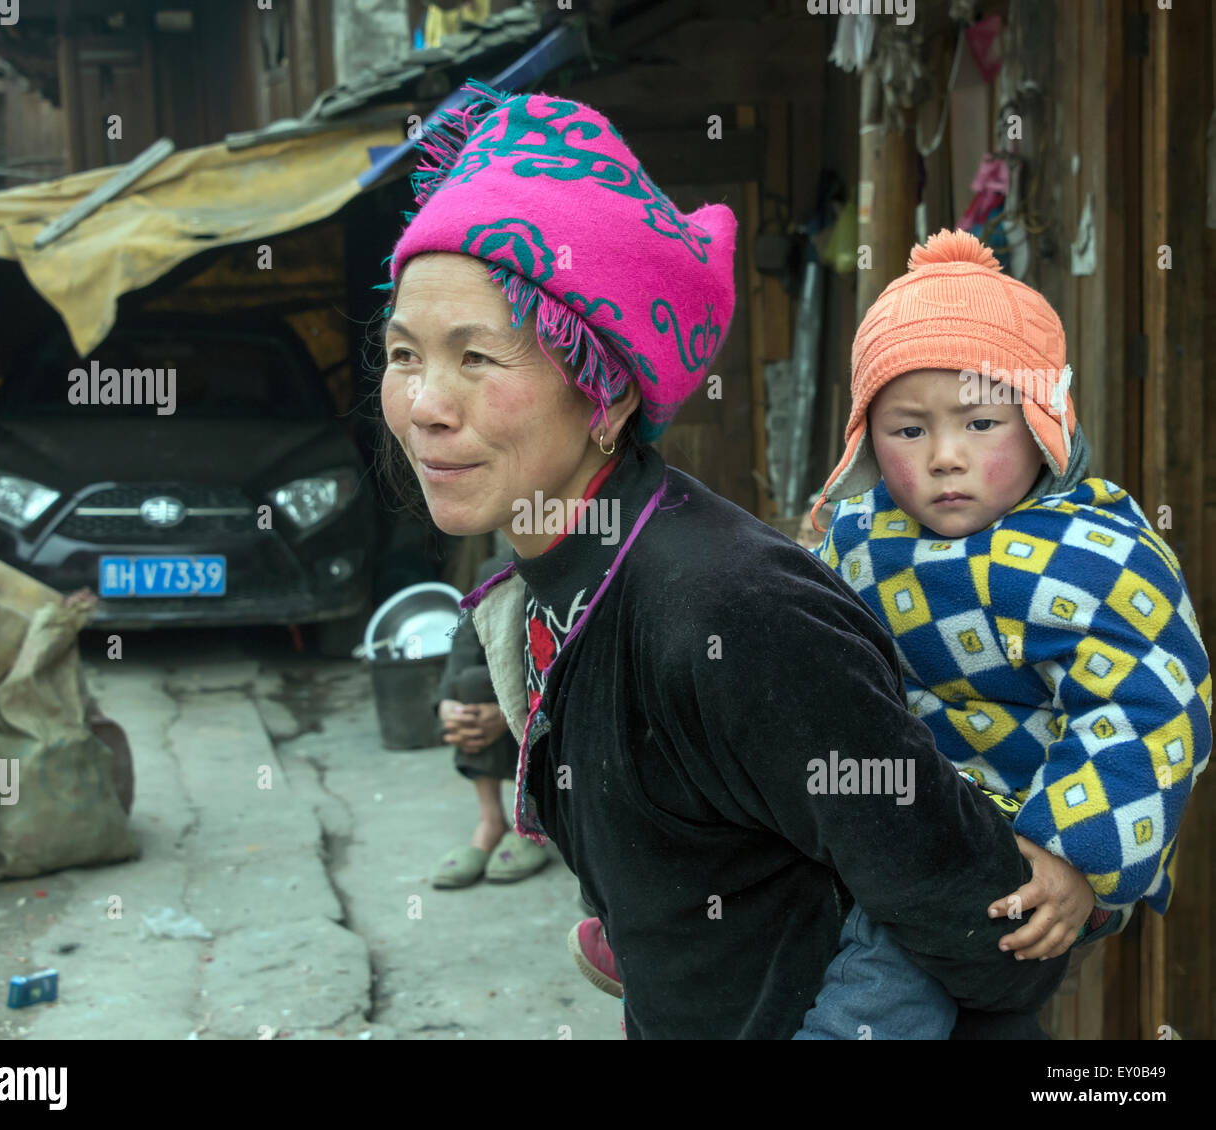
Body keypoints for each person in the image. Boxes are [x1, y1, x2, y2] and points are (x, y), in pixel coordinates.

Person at [373, 78, 1072, 1039]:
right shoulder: (556, 587)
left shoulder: (730, 611)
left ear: (605, 394)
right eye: (403, 353)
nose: (424, 405)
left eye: (477, 358)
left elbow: (985, 924)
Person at [791, 228, 1213, 1036]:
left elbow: (1150, 710)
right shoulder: (858, 540)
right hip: (894, 810)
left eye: (982, 422)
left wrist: (1075, 856)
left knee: (894, 954)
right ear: (865, 439)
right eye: (907, 430)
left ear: (1044, 419)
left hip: (1030, 838)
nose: (945, 456)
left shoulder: (1096, 556)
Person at [429, 554, 548, 887]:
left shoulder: (588, 559)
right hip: (515, 699)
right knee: (471, 682)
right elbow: (465, 644)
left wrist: (513, 707)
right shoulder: (495, 570)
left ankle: (532, 822)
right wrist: (447, 706)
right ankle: (491, 820)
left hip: (554, 707)